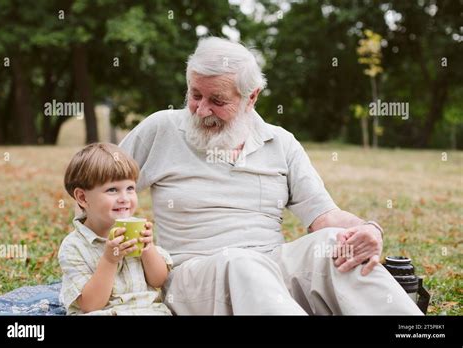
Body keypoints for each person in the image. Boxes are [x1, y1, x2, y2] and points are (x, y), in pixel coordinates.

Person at [119, 37, 422, 315]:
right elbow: (98, 181)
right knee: (241, 262)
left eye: (217, 100)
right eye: (195, 95)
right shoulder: (162, 129)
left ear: (251, 97)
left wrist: (370, 230)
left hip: (271, 267)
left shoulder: (280, 142)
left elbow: (324, 217)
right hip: (193, 277)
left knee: (335, 243)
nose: (201, 110)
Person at [59, 142, 173, 315]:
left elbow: (158, 280)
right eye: (112, 190)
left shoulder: (138, 229)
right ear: (82, 197)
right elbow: (90, 305)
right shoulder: (73, 247)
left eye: (130, 188)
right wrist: (110, 259)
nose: (124, 198)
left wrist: (147, 249)